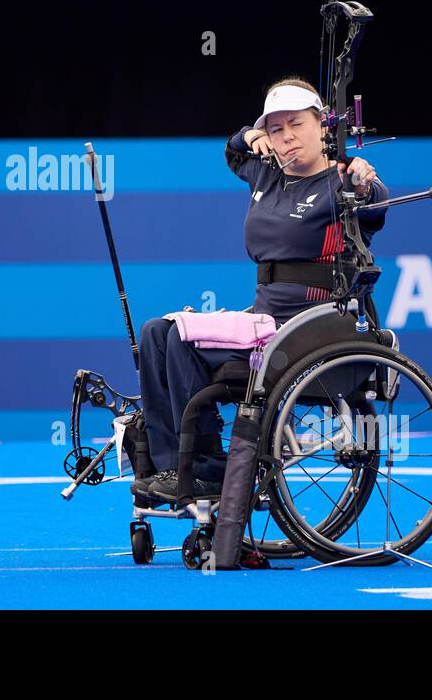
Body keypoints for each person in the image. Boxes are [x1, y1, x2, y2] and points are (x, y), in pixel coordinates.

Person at [132, 77, 389, 502]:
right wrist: (250, 135)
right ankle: (170, 468)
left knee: (181, 337)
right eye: (276, 128)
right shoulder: (265, 173)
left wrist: (363, 181)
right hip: (262, 322)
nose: (286, 137)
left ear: (323, 125)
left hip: (309, 327)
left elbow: (375, 202)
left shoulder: (341, 182)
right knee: (155, 333)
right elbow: (232, 150)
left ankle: (207, 471)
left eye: (296, 124)